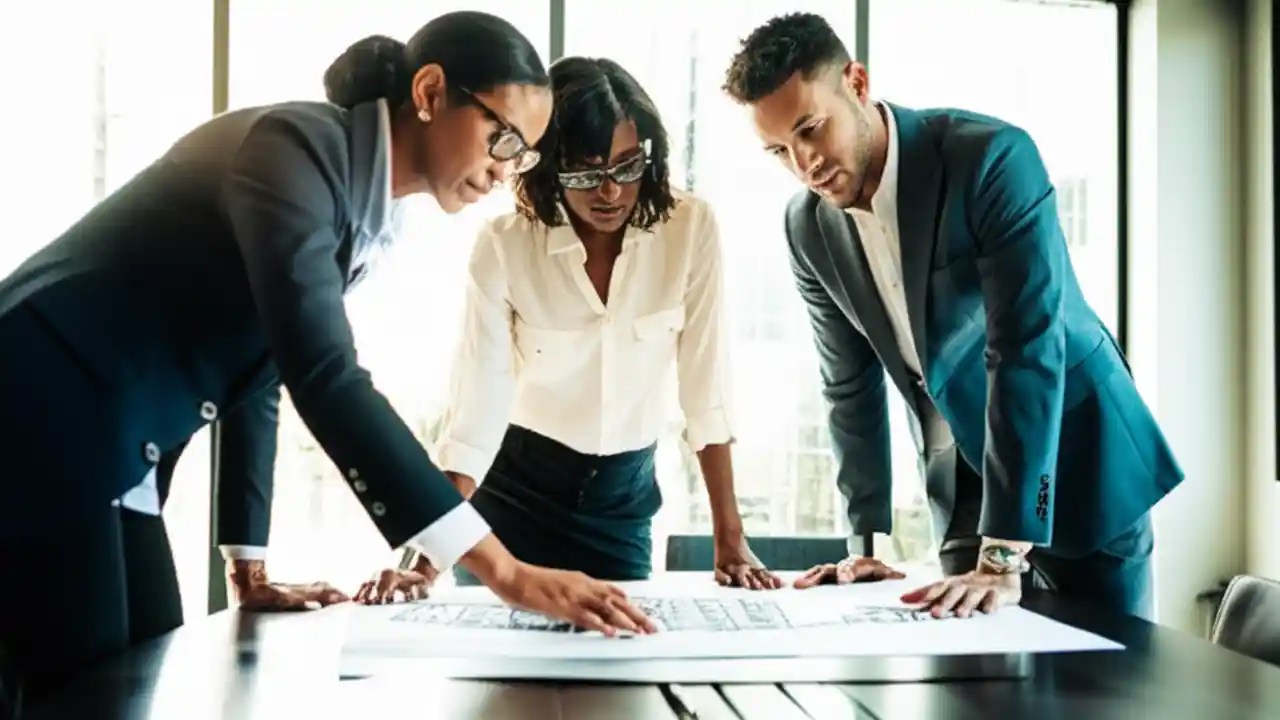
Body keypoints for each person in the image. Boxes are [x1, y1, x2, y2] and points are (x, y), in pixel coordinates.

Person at [0, 11, 654, 699]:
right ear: (430, 93)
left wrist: (246, 565)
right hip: (42, 410)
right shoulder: (294, 150)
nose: (504, 168)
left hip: (109, 440)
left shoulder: (358, 204)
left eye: (523, 155)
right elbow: (324, 375)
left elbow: (259, 364)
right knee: (84, 691)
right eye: (504, 137)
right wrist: (505, 571)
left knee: (138, 674)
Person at [720, 13, 1183, 620]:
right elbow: (848, 386)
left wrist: (1003, 557)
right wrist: (866, 546)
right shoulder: (806, 226)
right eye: (779, 150)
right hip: (963, 485)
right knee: (968, 664)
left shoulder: (991, 159)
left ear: (857, 83)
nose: (804, 162)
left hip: (1082, 465)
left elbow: (1026, 348)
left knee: (1107, 671)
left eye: (811, 129)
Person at [360, 56, 782, 599]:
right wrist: (423, 560)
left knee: (622, 644)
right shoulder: (505, 245)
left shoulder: (689, 228)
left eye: (626, 167)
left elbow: (706, 391)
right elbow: (474, 418)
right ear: (546, 165)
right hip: (511, 501)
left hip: (620, 508)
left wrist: (730, 538)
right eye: (584, 173)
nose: (610, 192)